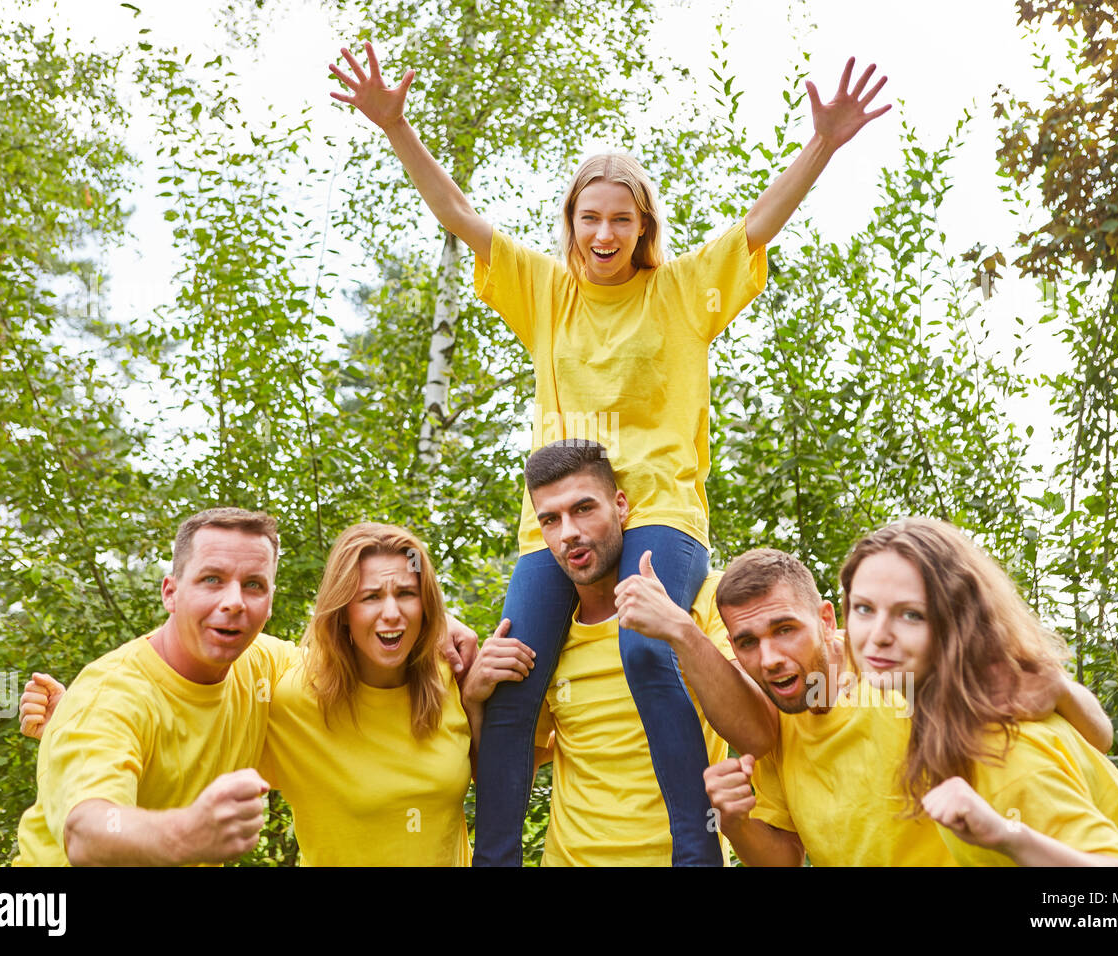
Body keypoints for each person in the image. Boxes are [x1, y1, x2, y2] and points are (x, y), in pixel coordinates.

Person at [330, 41, 890, 865]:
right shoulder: (546, 291)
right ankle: (495, 861)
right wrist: (395, 125)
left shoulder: (679, 291)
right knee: (514, 677)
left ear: (643, 226)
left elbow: (761, 221)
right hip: (558, 521)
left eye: (621, 218)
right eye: (590, 218)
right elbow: (459, 214)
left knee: (642, 643)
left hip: (660, 510)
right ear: (571, 225)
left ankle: (692, 850)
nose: (604, 233)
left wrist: (824, 143)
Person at [461, 440, 776, 865]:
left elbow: (756, 732)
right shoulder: (543, 635)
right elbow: (503, 772)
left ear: (621, 505)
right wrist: (475, 701)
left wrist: (679, 630)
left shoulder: (703, 600)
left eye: (584, 508)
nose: (569, 531)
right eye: (550, 520)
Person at [702, 546, 1118, 866]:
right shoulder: (774, 717)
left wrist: (1059, 688)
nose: (770, 657)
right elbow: (785, 856)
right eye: (748, 642)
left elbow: (1097, 738)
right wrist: (735, 823)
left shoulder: (902, 662)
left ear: (826, 619)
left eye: (785, 628)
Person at [839, 518, 1118, 866]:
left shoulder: (1002, 751)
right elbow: (1101, 738)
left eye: (911, 615)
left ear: (958, 625)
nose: (878, 635)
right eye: (864, 608)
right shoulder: (935, 700)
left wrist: (1007, 835)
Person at [14, 507, 291, 865]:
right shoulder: (110, 695)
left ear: (269, 605)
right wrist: (187, 831)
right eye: (212, 579)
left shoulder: (262, 664)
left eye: (254, 584)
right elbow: (90, 828)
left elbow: (344, 669)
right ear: (170, 593)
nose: (234, 601)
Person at [256, 522, 477, 865]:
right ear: (343, 610)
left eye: (406, 593)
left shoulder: (453, 673)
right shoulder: (295, 694)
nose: (392, 614)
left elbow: (514, 764)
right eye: (371, 597)